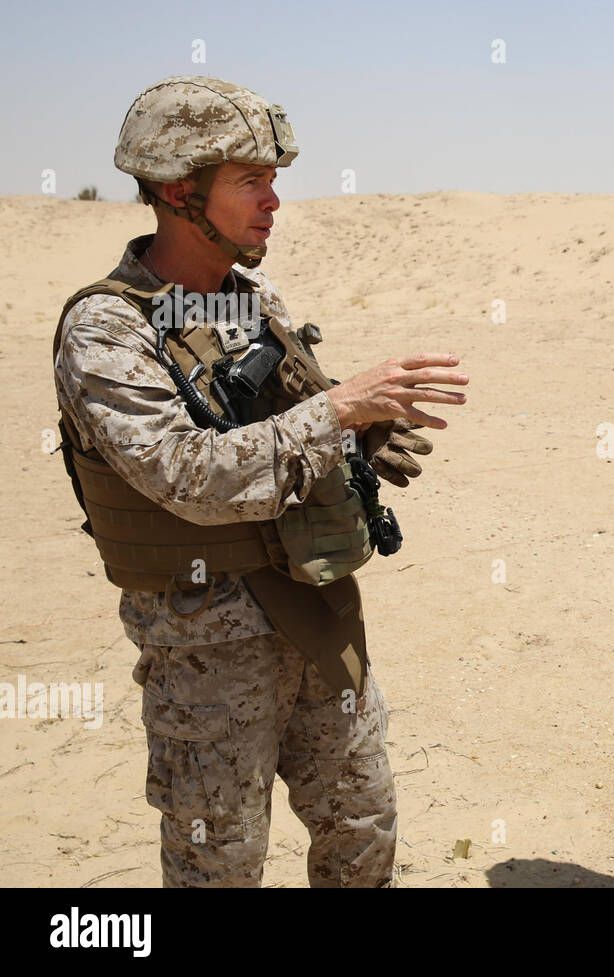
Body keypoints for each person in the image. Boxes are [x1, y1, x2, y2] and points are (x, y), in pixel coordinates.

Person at [53, 75, 469, 887]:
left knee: (363, 823)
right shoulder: (106, 326)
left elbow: (286, 421)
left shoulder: (253, 301)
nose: (273, 199)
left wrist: (357, 437)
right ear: (179, 192)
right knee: (222, 860)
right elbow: (185, 473)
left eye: (272, 179)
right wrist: (337, 414)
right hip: (206, 647)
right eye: (251, 181)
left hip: (315, 608)